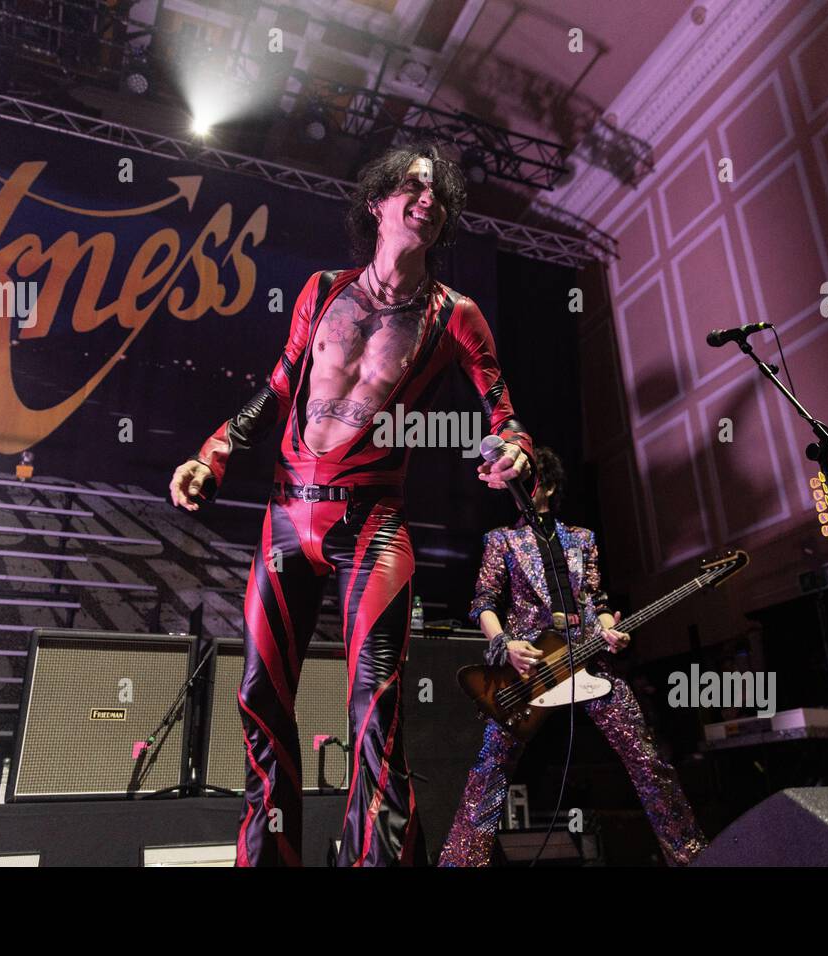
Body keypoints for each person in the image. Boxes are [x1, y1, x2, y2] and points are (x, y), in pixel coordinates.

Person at [169, 143, 534, 866]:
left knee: (376, 714)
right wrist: (211, 451)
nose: (428, 197)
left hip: (371, 524)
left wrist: (513, 448)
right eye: (413, 184)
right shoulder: (321, 290)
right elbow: (279, 387)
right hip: (284, 515)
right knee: (259, 701)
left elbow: (502, 411)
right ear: (378, 201)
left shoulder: (456, 315)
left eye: (438, 192)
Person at [438, 447, 707, 866]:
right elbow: (484, 604)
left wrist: (608, 628)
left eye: (524, 482)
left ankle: (692, 855)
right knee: (488, 776)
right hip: (530, 669)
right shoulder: (502, 540)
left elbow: (597, 600)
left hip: (589, 661)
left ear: (543, 485)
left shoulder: (582, 539)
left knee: (649, 762)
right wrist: (505, 644)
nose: (516, 491)